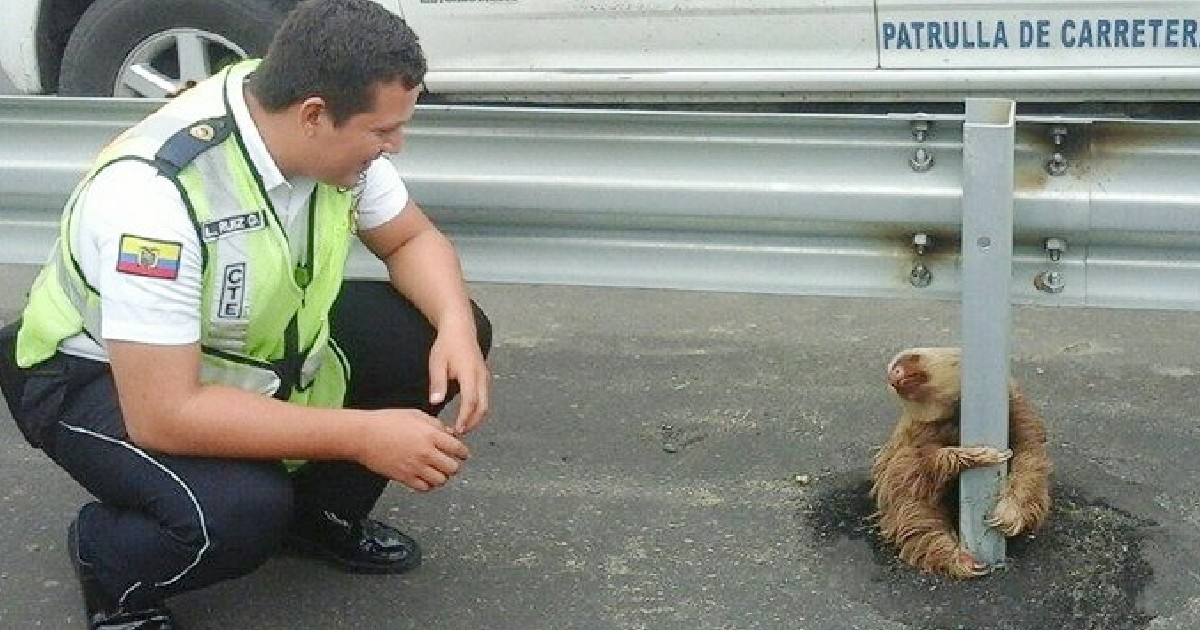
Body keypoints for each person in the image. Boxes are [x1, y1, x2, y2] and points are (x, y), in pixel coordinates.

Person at [0, 0, 492, 627]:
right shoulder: (154, 197)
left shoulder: (301, 115)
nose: (394, 146)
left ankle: (315, 517)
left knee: (436, 332)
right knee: (239, 511)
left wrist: (455, 326)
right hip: (94, 375)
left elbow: (411, 240)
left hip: (233, 349)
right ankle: (112, 562)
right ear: (314, 115)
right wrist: (365, 436)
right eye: (383, 132)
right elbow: (164, 413)